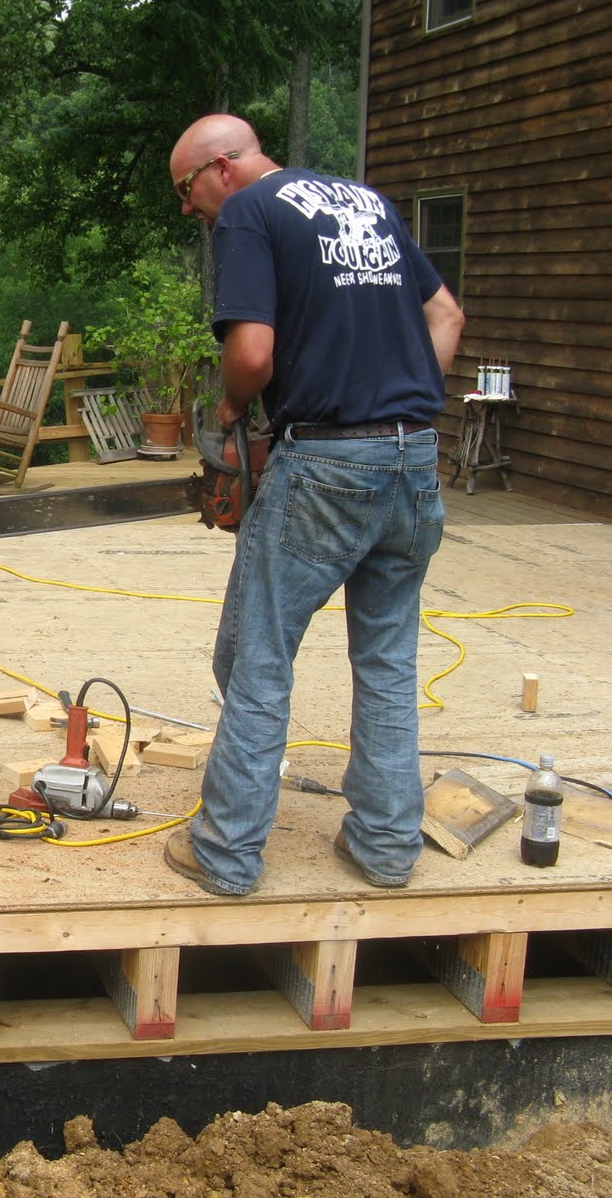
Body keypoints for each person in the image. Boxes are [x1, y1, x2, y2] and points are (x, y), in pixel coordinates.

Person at [163, 114, 466, 896]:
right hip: (415, 460)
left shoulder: (248, 213)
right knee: (391, 665)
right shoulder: (367, 204)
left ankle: (226, 853)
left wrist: (231, 410)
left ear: (222, 167)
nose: (189, 208)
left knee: (256, 661)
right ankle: (386, 847)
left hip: (327, 464)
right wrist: (402, 405)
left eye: (185, 189)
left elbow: (253, 354)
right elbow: (447, 315)